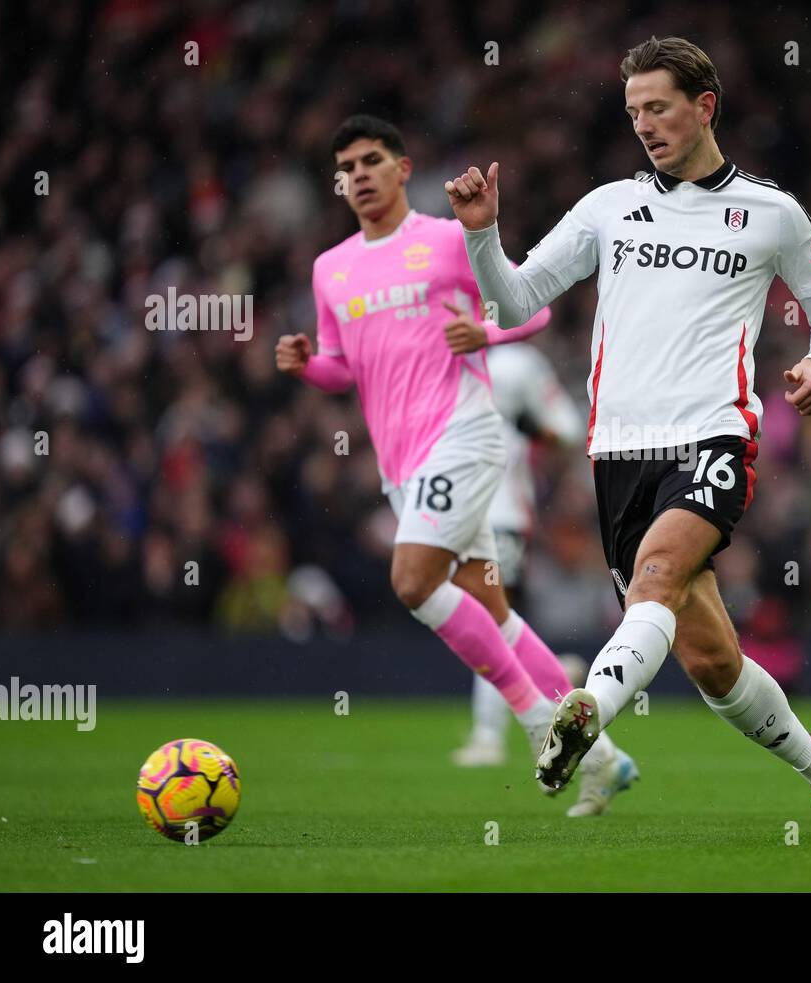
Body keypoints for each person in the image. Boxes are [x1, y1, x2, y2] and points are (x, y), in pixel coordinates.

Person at [445, 38, 811, 837]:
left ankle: (585, 714)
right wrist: (483, 236)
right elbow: (511, 306)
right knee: (712, 663)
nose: (643, 124)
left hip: (713, 439)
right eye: (633, 112)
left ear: (704, 105)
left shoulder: (771, 213)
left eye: (657, 107)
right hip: (617, 455)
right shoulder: (607, 207)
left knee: (654, 580)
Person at [278, 115, 637, 816]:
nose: (360, 174)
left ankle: (540, 726)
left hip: (465, 435)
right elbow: (340, 368)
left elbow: (528, 311)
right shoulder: (332, 268)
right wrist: (306, 365)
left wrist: (488, 329)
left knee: (413, 581)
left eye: (373, 160)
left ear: (403, 168)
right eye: (347, 165)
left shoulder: (446, 241)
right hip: (402, 463)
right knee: (489, 608)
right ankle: (602, 755)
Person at [445, 329, 587, 771]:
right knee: (471, 615)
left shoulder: (518, 363)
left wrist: (532, 426)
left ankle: (488, 736)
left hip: (499, 513)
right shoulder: (437, 353)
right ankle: (549, 671)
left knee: (486, 617)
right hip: (448, 513)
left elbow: (568, 428)